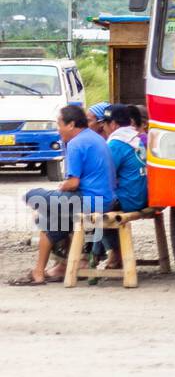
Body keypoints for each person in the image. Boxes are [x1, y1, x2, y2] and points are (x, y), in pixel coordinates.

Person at [11, 105, 115, 285]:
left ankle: (58, 266)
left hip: (89, 203)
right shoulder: (96, 139)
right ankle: (39, 272)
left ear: (71, 124)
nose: (58, 129)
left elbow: (73, 183)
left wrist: (61, 188)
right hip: (105, 202)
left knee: (32, 195)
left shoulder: (75, 143)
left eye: (59, 124)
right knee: (49, 219)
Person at [95, 104, 148, 269]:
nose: (103, 127)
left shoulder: (116, 143)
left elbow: (104, 175)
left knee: (92, 204)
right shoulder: (138, 138)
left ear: (114, 125)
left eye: (104, 124)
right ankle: (106, 254)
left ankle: (100, 255)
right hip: (143, 196)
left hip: (129, 199)